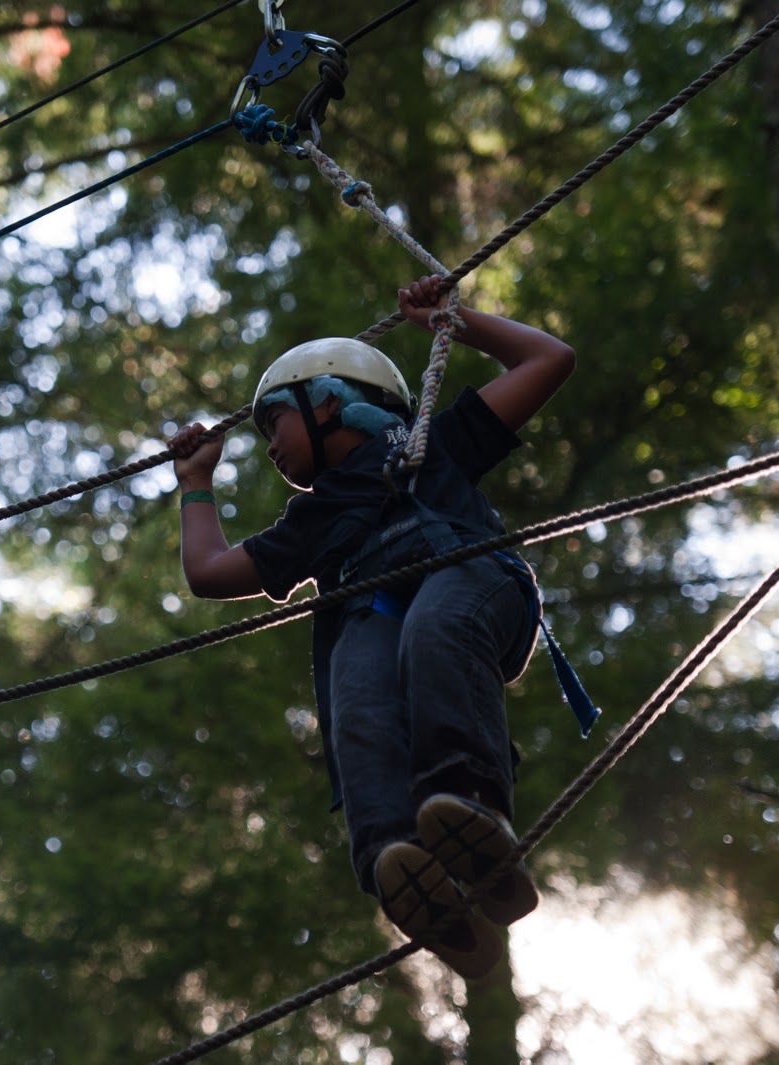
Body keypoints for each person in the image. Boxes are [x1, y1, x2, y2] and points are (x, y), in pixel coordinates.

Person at [168, 274, 577, 979]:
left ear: (328, 400)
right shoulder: (313, 520)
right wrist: (197, 482)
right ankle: (398, 852)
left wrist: (453, 321)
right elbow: (208, 571)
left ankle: (471, 799)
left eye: (276, 423)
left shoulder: (437, 444)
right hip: (382, 615)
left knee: (434, 622)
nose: (269, 447)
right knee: (355, 687)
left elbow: (548, 360)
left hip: (474, 592)